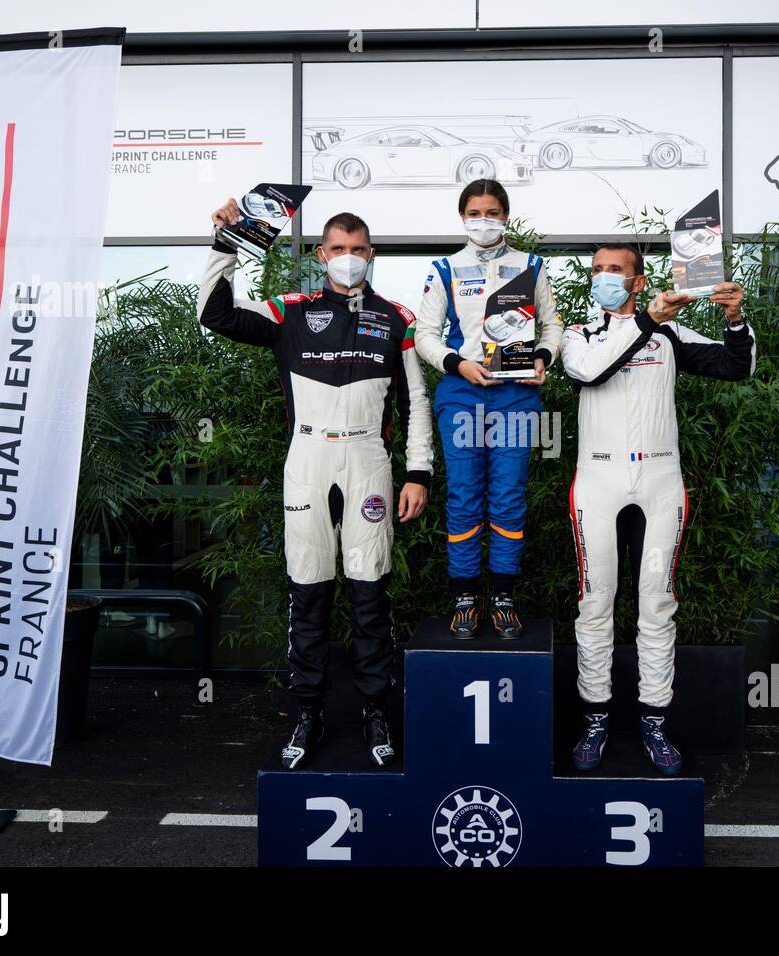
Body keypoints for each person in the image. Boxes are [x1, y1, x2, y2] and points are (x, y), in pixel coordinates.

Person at [198, 201, 433, 770]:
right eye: (337, 249)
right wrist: (228, 242)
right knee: (308, 590)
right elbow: (216, 315)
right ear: (321, 254)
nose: (347, 260)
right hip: (307, 457)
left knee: (369, 593)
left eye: (358, 250)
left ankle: (377, 709)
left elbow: (416, 401)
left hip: (368, 460)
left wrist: (419, 472)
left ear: (370, 255)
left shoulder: (397, 319)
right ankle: (307, 711)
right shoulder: (290, 311)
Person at [561, 243, 755, 775]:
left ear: (638, 280)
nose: (604, 277)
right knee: (596, 602)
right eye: (598, 269)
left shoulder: (668, 333)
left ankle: (654, 720)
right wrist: (646, 320)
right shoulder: (578, 335)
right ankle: (595, 718)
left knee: (656, 601)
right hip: (597, 480)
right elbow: (589, 374)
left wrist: (735, 318)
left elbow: (735, 366)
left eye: (615, 270)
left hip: (660, 479)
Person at [414, 178, 562, 639]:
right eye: (475, 212)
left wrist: (543, 357)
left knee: (508, 496)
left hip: (516, 394)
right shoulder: (445, 268)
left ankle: (501, 597)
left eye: (492, 212)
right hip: (462, 393)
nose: (484, 220)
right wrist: (457, 364)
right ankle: (463, 599)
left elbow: (552, 327)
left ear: (506, 215)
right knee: (462, 496)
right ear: (463, 217)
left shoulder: (531, 266)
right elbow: (425, 335)